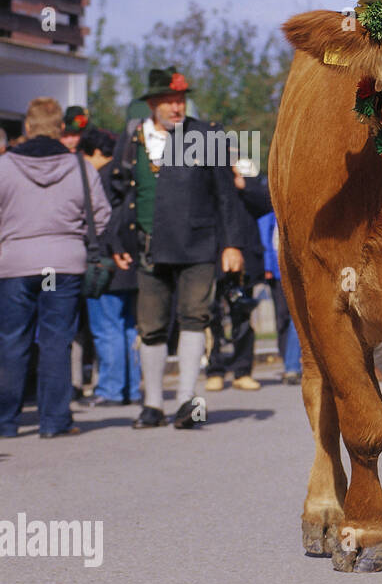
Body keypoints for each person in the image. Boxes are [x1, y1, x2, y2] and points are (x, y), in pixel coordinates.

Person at [105, 67, 245, 430]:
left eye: (180, 100)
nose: (175, 107)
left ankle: (185, 400)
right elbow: (119, 196)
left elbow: (226, 196)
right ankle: (152, 404)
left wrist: (232, 244)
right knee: (150, 326)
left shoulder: (205, 135)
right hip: (148, 246)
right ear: (152, 104)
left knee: (194, 317)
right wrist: (117, 241)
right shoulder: (131, 138)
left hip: (198, 244)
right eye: (168, 101)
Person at [0, 97, 111, 437]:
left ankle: (5, 422)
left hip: (16, 267)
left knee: (12, 340)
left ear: (28, 128)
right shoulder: (80, 167)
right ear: (61, 129)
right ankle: (54, 421)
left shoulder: (4, 167)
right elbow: (102, 216)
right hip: (59, 269)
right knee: (55, 339)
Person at [79, 128, 140, 407]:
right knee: (129, 327)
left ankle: (111, 390)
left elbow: (103, 221)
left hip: (108, 258)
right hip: (134, 260)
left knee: (106, 328)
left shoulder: (97, 178)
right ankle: (132, 388)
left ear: (93, 152)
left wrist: (112, 249)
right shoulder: (129, 175)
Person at [206, 160, 270, 392]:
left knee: (242, 314)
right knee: (211, 316)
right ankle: (215, 370)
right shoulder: (207, 177)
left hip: (245, 258)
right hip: (213, 256)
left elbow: (267, 203)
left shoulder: (246, 175)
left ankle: (243, 371)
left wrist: (242, 184)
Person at [258, 210, 301, 384]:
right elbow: (265, 240)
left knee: (295, 317)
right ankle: (289, 362)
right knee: (283, 317)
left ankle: (292, 365)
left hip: (298, 268)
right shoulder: (270, 209)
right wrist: (268, 267)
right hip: (278, 271)